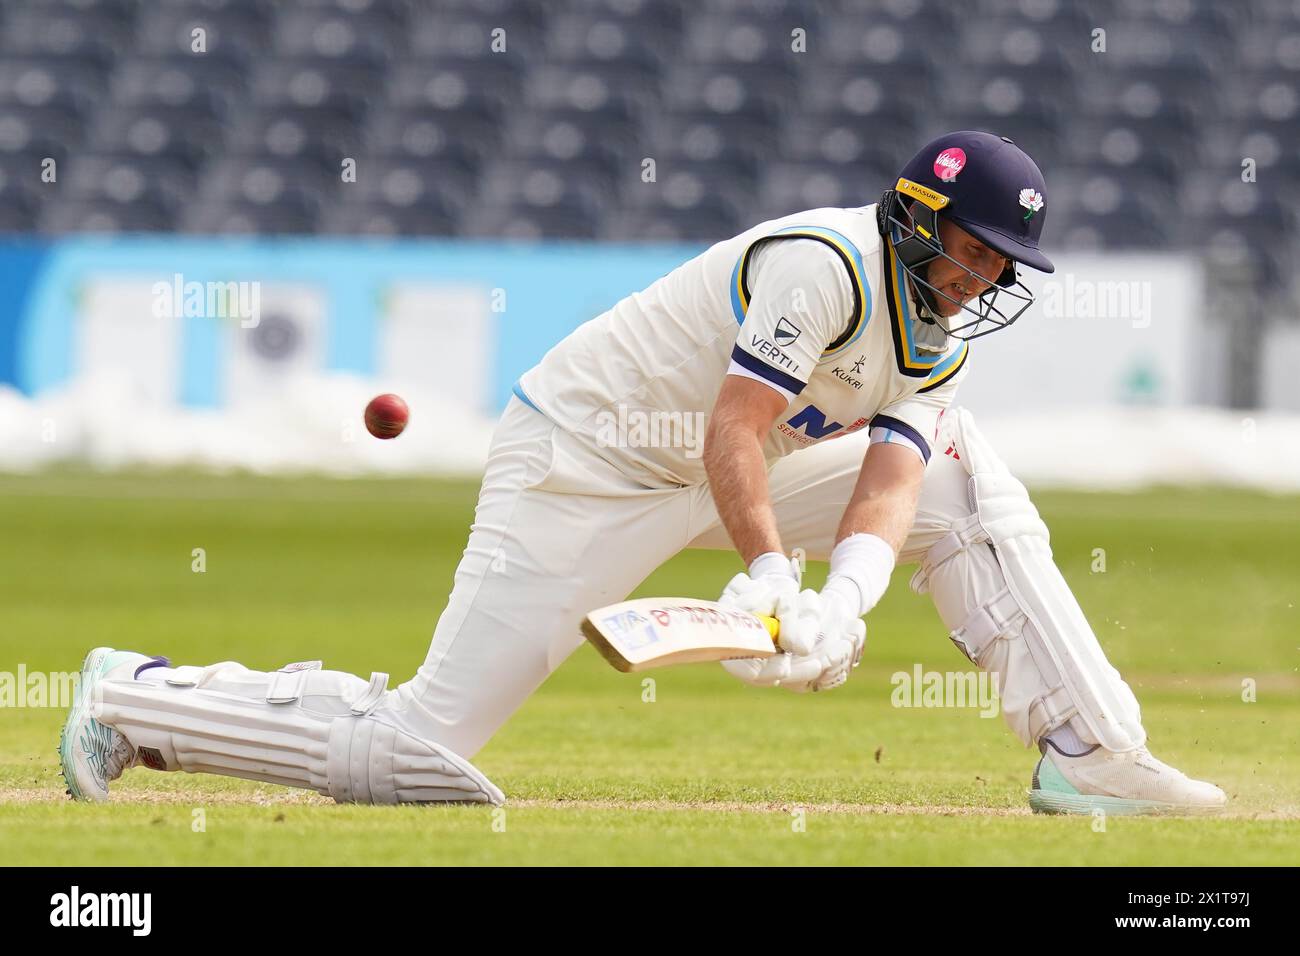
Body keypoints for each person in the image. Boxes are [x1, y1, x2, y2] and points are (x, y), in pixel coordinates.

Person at [61, 131, 1226, 815]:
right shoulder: (824, 264)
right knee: (414, 752)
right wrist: (770, 573)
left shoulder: (943, 338)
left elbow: (892, 477)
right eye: (972, 250)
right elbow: (731, 429)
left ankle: (1092, 754)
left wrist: (840, 603)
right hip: (582, 464)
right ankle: (134, 697)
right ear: (919, 219)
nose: (980, 280)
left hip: (726, 474)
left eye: (1000, 265)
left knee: (965, 471)